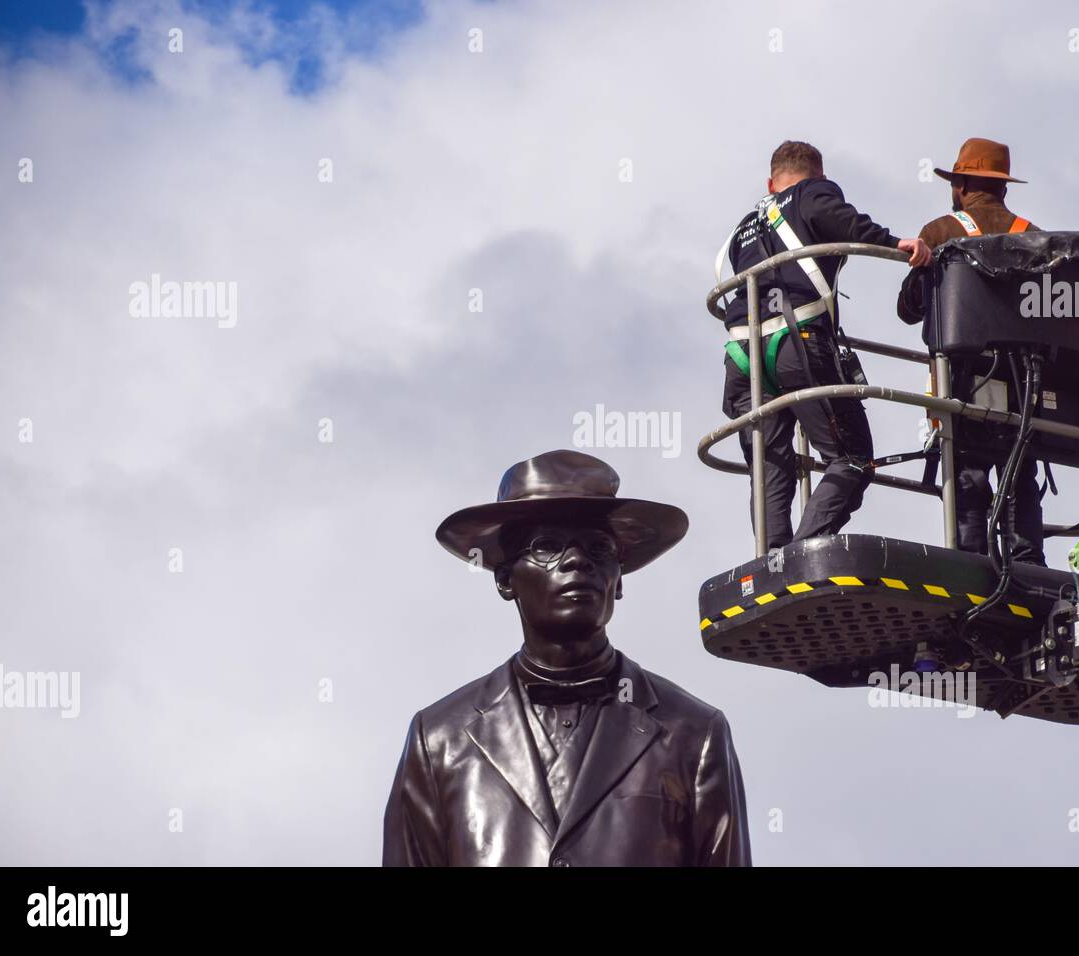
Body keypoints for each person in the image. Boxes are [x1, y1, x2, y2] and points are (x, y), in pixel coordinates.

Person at [383, 449, 752, 866]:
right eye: (547, 546)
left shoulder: (693, 732)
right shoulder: (438, 740)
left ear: (619, 582)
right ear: (505, 580)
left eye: (598, 548)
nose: (576, 561)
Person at [721, 140, 931, 549]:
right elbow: (837, 220)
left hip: (741, 356)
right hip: (795, 344)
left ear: (770, 182)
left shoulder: (744, 227)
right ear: (819, 175)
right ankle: (802, 554)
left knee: (770, 467)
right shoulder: (813, 193)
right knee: (851, 458)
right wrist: (895, 243)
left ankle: (772, 562)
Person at [896, 137, 1047, 565]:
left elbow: (909, 309)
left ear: (961, 183)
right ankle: (1028, 560)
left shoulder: (941, 231)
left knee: (966, 467)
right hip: (1023, 379)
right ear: (1004, 187)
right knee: (1019, 468)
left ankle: (971, 560)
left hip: (962, 377)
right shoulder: (1034, 238)